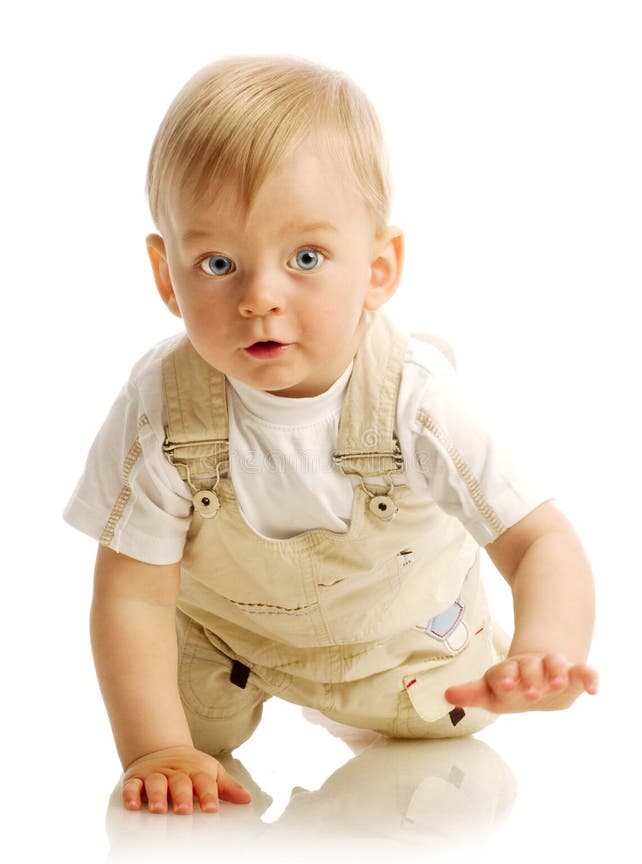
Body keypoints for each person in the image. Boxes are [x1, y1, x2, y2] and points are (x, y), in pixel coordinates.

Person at [64, 55, 598, 816]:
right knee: (181, 723)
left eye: (306, 258)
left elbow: (541, 540)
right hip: (229, 645)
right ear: (165, 276)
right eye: (217, 263)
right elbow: (133, 596)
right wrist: (156, 747)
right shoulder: (160, 407)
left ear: (379, 269)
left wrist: (548, 649)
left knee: (453, 754)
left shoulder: (415, 400)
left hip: (402, 645)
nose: (259, 299)